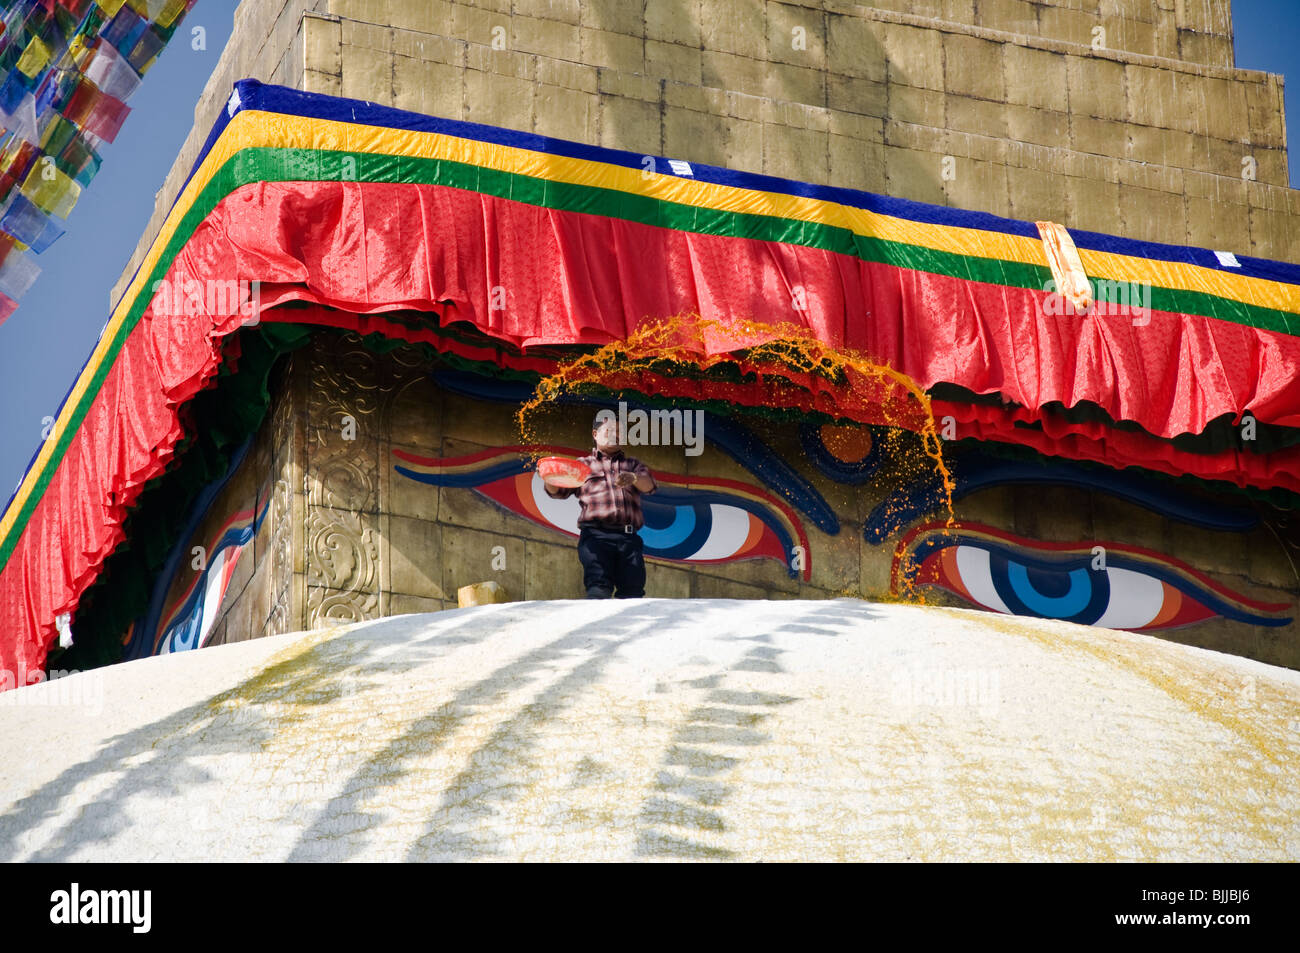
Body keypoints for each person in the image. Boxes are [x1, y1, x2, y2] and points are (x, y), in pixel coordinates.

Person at [545, 410, 657, 598]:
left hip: (629, 539)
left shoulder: (633, 465)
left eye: (620, 432)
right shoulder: (582, 465)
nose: (616, 435)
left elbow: (649, 487)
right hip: (595, 537)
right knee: (598, 588)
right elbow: (557, 491)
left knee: (633, 593)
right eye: (610, 431)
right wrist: (549, 477)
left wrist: (634, 478)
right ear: (595, 434)